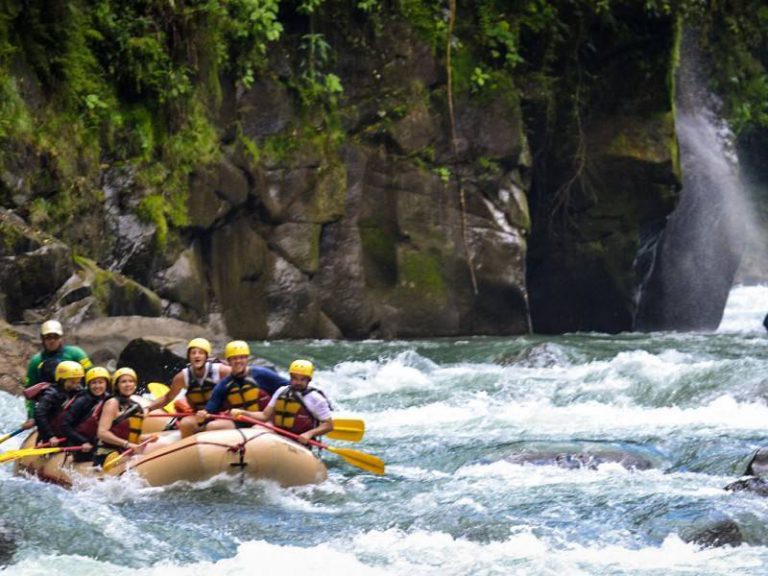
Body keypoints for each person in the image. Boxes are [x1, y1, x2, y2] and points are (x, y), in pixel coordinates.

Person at [231, 359, 334, 445]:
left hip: (299, 441)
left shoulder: (316, 399)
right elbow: (264, 416)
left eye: (302, 379)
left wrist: (310, 434)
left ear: (309, 380)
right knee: (256, 429)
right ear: (290, 377)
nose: (297, 382)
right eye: (294, 378)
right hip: (279, 435)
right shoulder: (281, 391)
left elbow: (329, 425)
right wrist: (244, 412)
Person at [144, 337, 232, 438]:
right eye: (193, 353)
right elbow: (167, 398)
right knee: (185, 424)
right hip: (199, 416)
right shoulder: (182, 377)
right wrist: (148, 408)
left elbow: (242, 379)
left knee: (213, 426)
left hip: (221, 415)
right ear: (189, 357)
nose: (196, 356)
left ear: (206, 356)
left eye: (200, 353)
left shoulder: (221, 371)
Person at [196, 340, 287, 431]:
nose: (238, 361)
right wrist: (202, 416)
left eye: (242, 357)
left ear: (247, 359)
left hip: (265, 420)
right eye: (234, 358)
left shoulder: (261, 374)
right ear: (228, 361)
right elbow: (211, 408)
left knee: (256, 429)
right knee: (212, 426)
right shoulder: (224, 385)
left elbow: (289, 387)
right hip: (241, 421)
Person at [24, 320, 92, 427]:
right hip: (51, 408)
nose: (52, 341)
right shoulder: (36, 361)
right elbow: (29, 392)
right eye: (48, 337)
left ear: (61, 338)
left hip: (78, 404)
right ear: (42, 339)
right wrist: (31, 416)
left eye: (55, 337)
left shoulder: (76, 354)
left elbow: (92, 377)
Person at [94, 367, 150, 466]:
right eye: (123, 382)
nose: (128, 384)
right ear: (116, 386)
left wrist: (145, 438)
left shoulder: (135, 405)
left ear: (135, 384)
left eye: (131, 381)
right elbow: (102, 433)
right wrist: (127, 444)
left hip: (126, 452)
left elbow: (128, 433)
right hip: (108, 454)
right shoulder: (112, 403)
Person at [60, 367, 111, 462]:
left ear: (106, 384)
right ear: (88, 384)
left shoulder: (109, 400)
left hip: (99, 442)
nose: (97, 386)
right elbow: (65, 425)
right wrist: (83, 442)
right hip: (81, 444)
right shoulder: (82, 401)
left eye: (101, 382)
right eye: (94, 383)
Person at [33, 361, 85, 446]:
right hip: (51, 435)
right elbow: (39, 414)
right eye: (72, 382)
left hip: (68, 432)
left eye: (78, 382)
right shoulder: (51, 394)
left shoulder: (78, 391)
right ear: (61, 380)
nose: (76, 385)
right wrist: (50, 436)